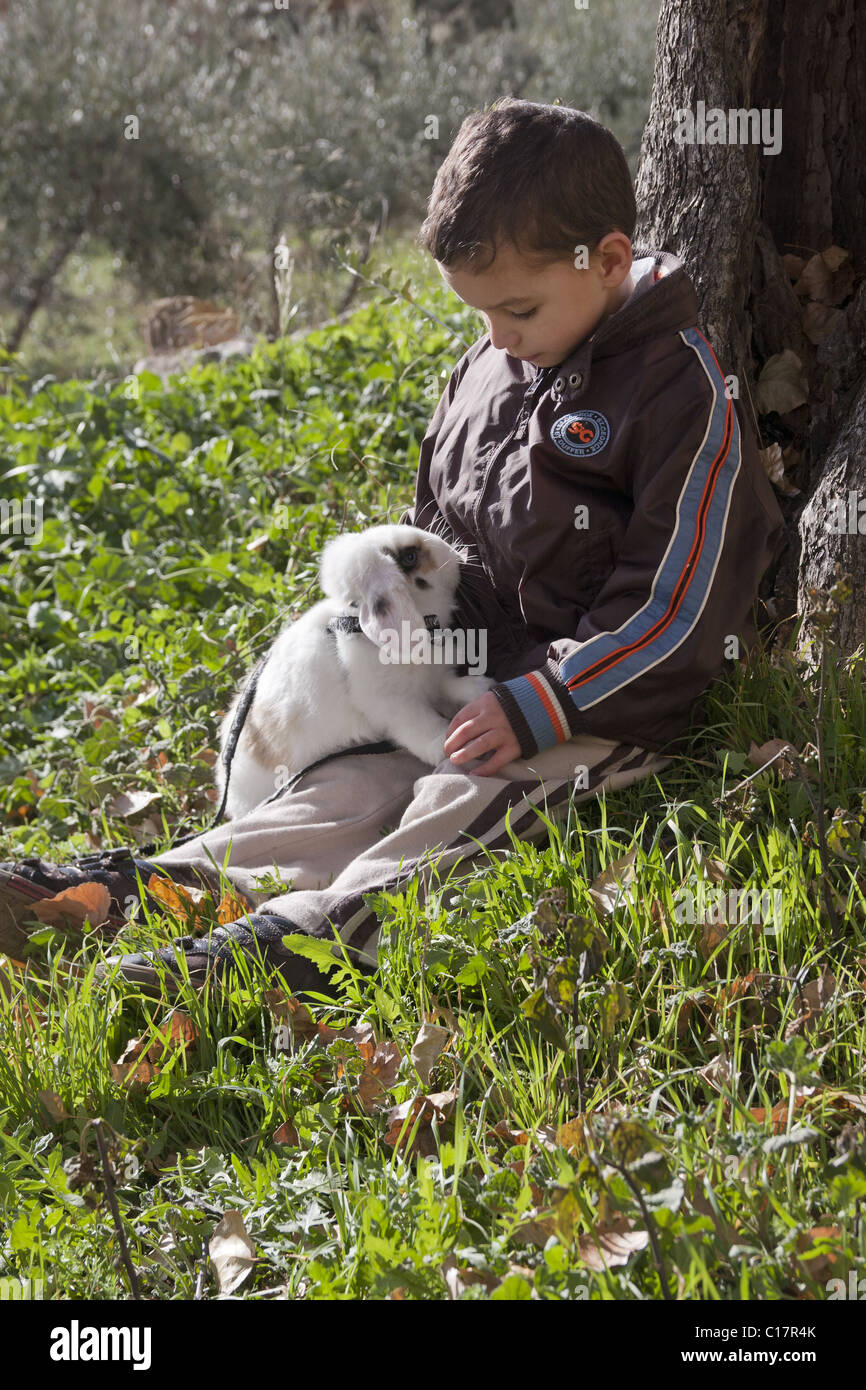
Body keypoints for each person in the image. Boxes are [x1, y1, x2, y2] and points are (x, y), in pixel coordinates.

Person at [0, 98, 784, 994]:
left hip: (604, 713)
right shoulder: (497, 364)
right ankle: (139, 893)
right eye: (480, 314)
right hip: (466, 686)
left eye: (517, 309)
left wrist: (548, 700)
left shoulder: (680, 393)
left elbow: (681, 607)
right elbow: (441, 536)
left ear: (606, 260)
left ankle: (289, 944)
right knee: (351, 789)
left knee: (460, 803)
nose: (495, 338)